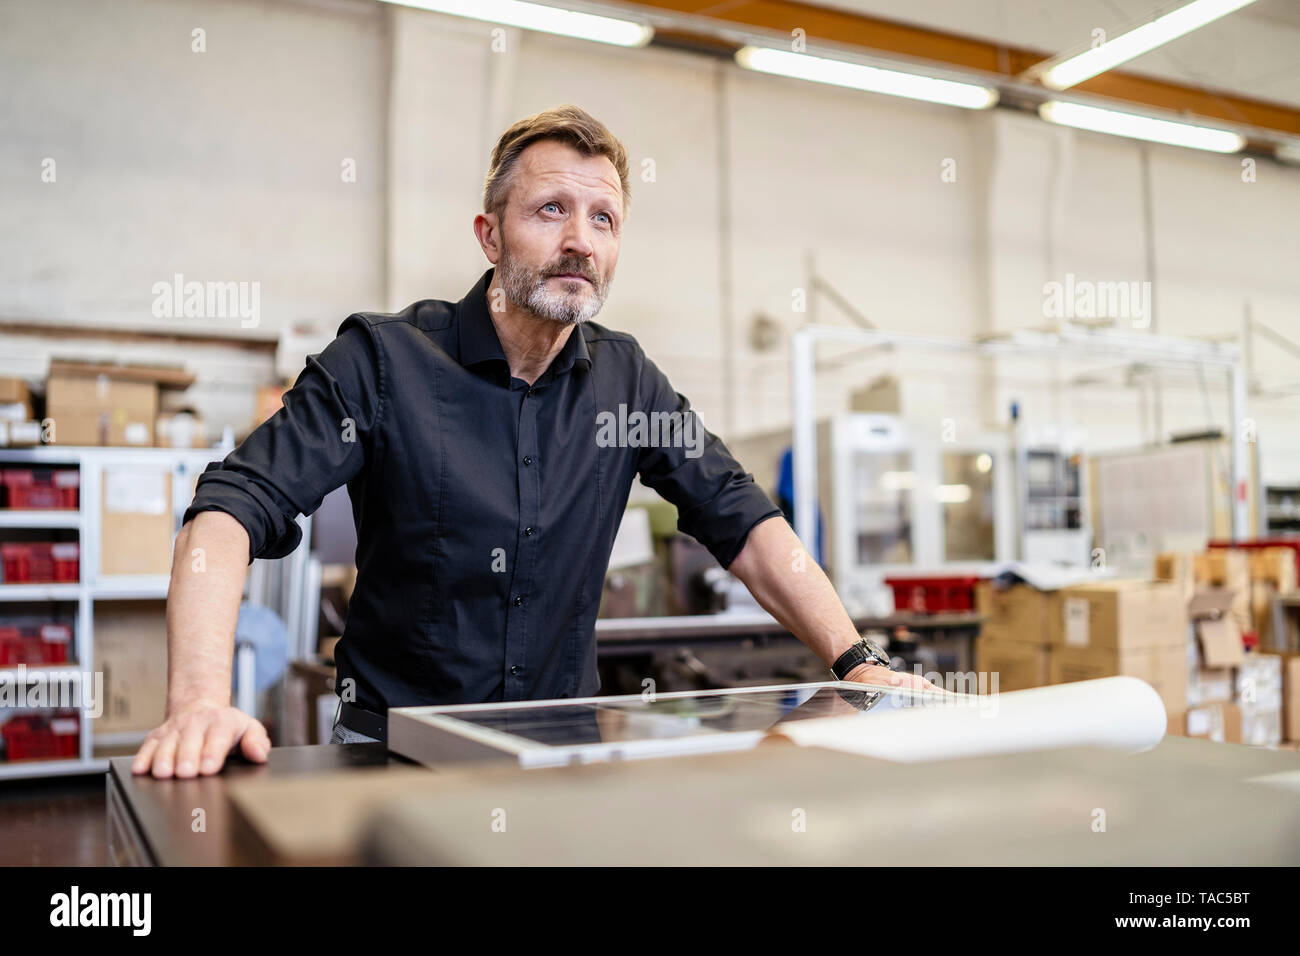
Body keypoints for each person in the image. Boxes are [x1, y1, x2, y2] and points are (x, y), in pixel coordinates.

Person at [132, 104, 931, 778]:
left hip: (557, 758)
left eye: (603, 218)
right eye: (551, 210)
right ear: (490, 235)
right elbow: (231, 508)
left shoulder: (628, 381)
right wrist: (200, 698)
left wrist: (856, 658)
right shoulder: (383, 363)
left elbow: (744, 520)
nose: (580, 238)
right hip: (392, 756)